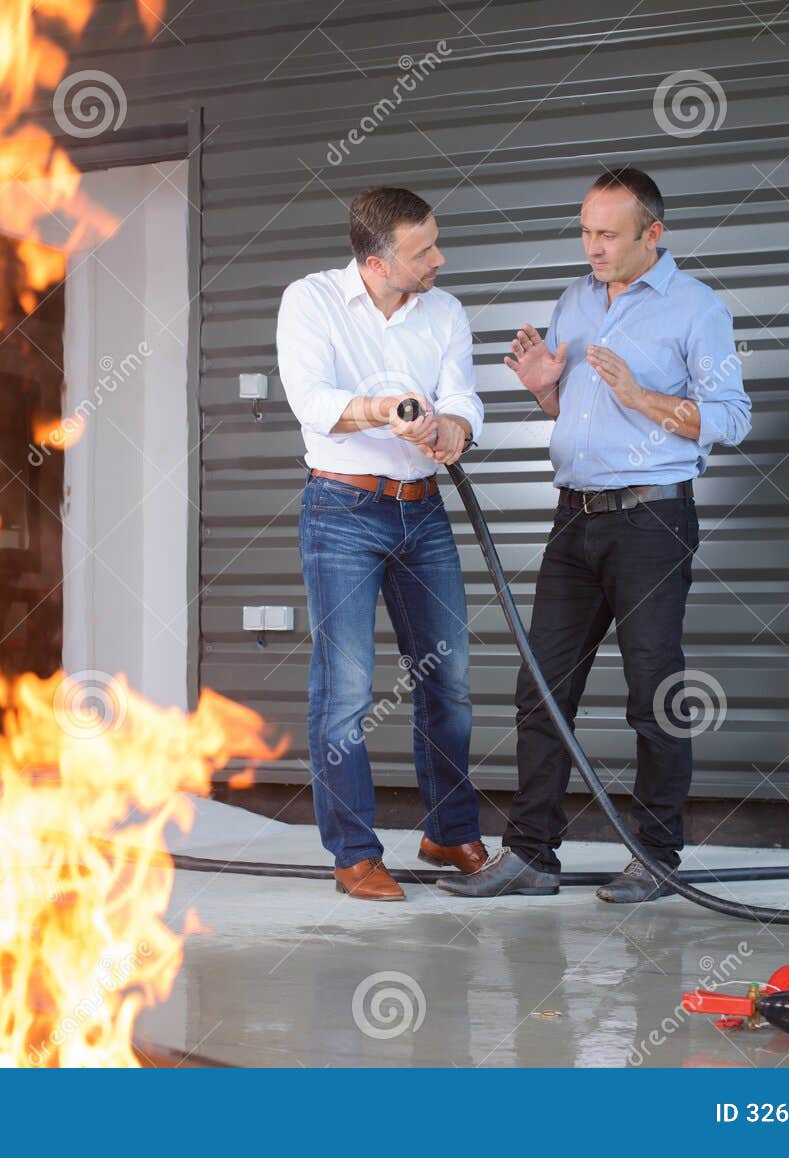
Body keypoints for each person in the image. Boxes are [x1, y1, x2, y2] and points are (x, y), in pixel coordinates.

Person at [441, 167, 751, 905]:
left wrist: (642, 397)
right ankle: (531, 856)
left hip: (652, 521)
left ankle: (656, 856)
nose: (592, 247)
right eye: (585, 231)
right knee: (541, 689)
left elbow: (732, 420)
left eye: (607, 234)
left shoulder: (695, 309)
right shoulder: (576, 300)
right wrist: (548, 387)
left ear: (654, 234)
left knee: (652, 696)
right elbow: (573, 415)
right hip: (574, 519)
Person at [276, 186, 487, 901]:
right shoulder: (310, 302)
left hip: (421, 513)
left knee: (449, 680)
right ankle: (354, 853)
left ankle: (448, 829)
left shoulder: (446, 311)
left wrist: (451, 429)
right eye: (423, 250)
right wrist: (384, 410)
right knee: (345, 689)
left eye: (436, 241)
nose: (440, 257)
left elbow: (463, 397)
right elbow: (312, 401)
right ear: (375, 262)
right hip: (342, 509)